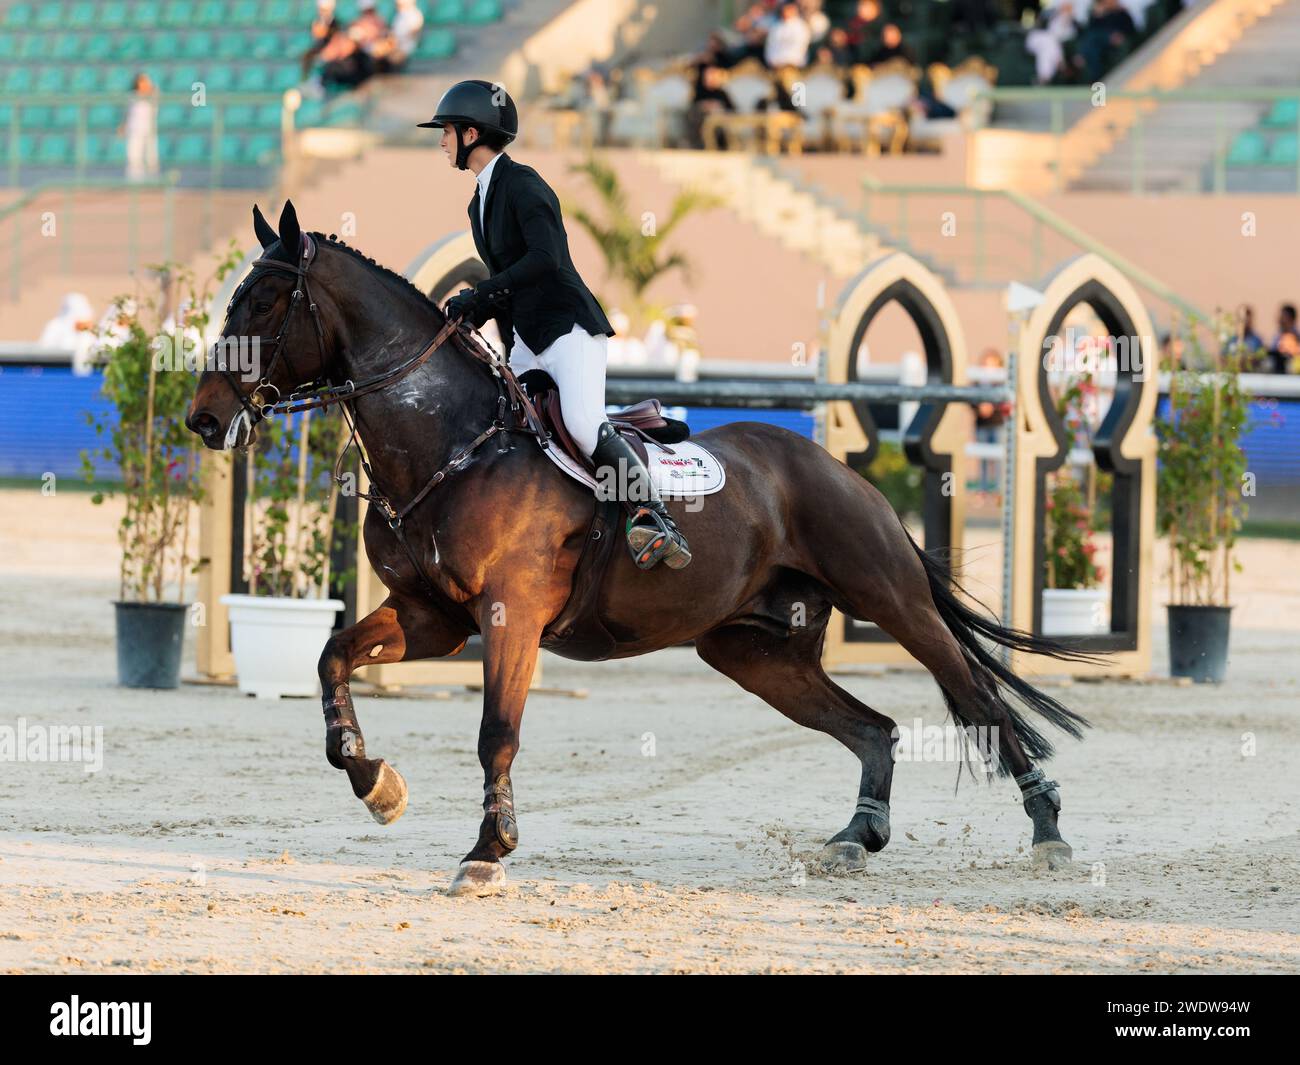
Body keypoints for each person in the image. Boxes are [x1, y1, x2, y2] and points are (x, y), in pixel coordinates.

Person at [419, 80, 692, 570]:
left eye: (447, 132)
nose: (441, 141)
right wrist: (474, 310)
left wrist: (481, 291)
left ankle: (654, 517)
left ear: (472, 133)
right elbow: (510, 280)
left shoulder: (524, 184)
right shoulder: (477, 203)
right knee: (500, 425)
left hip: (568, 332)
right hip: (526, 340)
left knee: (585, 424)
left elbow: (546, 260)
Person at [120, 73, 159, 183]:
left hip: (148, 129)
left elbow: (155, 95)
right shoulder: (132, 96)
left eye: (145, 82)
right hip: (134, 129)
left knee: (150, 155)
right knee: (133, 155)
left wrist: (149, 88)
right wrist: (123, 125)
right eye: (141, 82)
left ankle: (152, 180)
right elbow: (127, 113)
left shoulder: (153, 94)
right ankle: (134, 181)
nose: (144, 84)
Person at [763, 2, 812, 69]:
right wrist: (772, 61)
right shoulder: (776, 26)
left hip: (794, 66)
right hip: (776, 65)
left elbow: (800, 46)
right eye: (785, 10)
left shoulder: (801, 27)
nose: (786, 12)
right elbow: (771, 45)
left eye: (789, 9)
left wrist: (789, 61)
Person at [301, 0, 340, 78]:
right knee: (307, 56)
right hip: (319, 47)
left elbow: (334, 37)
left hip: (330, 48)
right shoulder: (317, 21)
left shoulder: (335, 23)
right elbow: (316, 35)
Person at [1268, 303, 1299, 374]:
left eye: (1283, 317)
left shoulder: (1296, 337)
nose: (1280, 320)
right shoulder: (1277, 336)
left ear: (1291, 319)